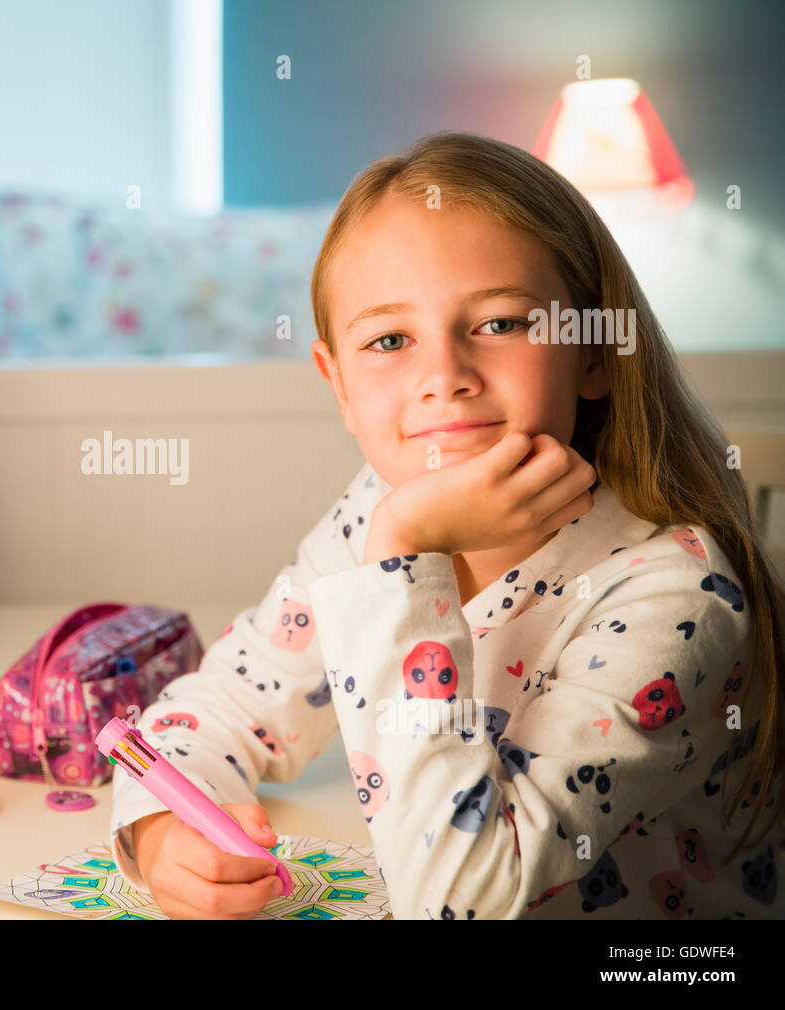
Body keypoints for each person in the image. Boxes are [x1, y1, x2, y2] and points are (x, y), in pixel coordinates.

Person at [108, 130, 785, 920]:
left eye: (499, 323)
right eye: (390, 340)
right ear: (341, 387)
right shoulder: (375, 511)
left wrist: (402, 555)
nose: (444, 379)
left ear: (594, 350)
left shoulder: (676, 594)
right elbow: (224, 709)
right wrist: (162, 833)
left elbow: (464, 899)